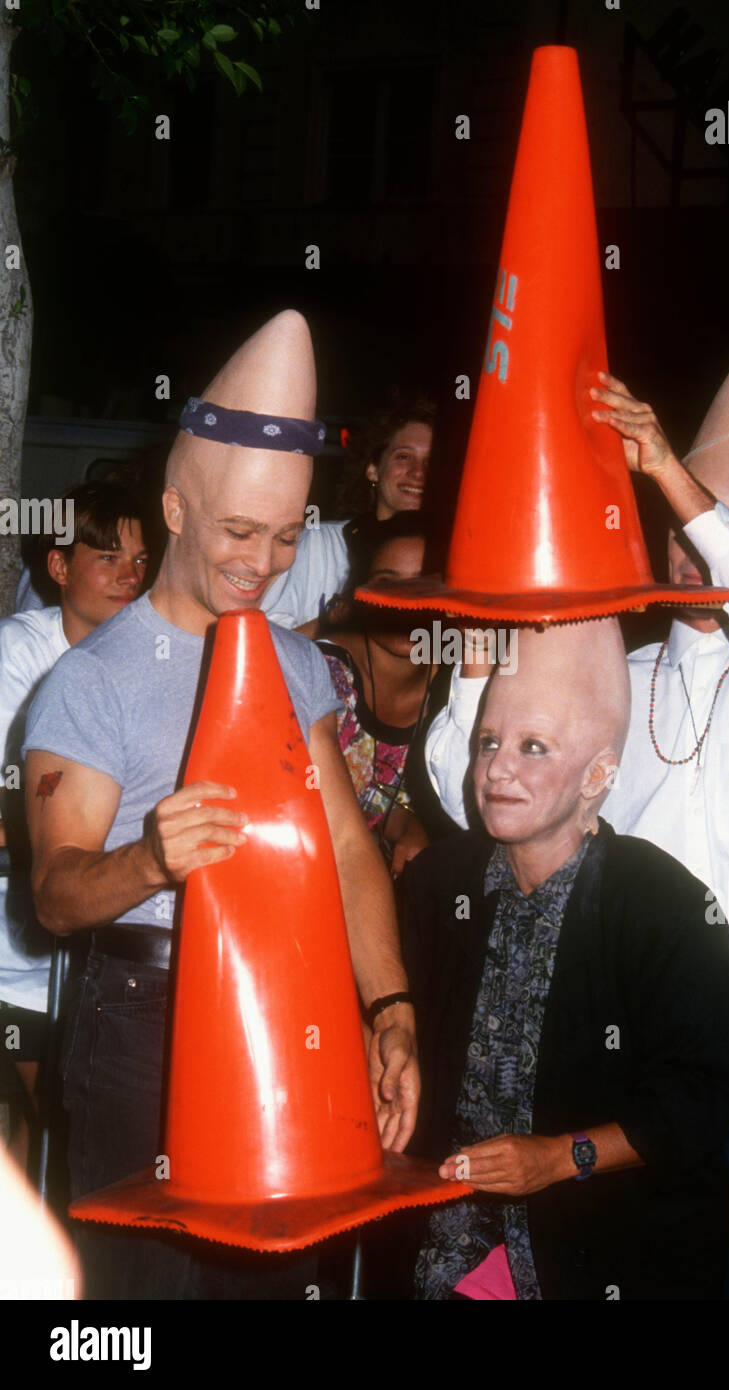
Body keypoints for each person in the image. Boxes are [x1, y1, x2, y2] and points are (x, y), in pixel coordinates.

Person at [425, 346, 729, 1298]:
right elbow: (476, 788)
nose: (692, 549)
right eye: (679, 529)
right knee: (617, 1250)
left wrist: (669, 465)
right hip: (624, 1007)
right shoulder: (614, 679)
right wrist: (475, 659)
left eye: (722, 532)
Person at [21, 311, 418, 1299]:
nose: (264, 561)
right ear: (176, 510)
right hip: (139, 1021)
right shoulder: (87, 683)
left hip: (288, 1003)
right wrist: (148, 861)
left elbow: (345, 847)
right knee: (140, 1297)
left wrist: (388, 1005)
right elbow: (57, 898)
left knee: (269, 1281)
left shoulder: (293, 663)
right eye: (240, 531)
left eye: (285, 537)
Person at [404, 619, 729, 1300]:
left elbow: (699, 1104)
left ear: (598, 774)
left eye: (534, 748)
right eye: (489, 743)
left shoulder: (666, 908)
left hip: (602, 1246)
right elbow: (391, 1012)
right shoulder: (439, 882)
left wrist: (563, 1158)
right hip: (444, 1236)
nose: (499, 767)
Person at [0, 480, 148, 1173]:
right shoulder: (17, 655)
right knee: (46, 1122)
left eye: (142, 561)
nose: (130, 575)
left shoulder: (145, 658)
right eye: (108, 556)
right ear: (58, 568)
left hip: (110, 942)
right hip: (22, 954)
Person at [312, 513, 452, 878]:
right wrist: (401, 824)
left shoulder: (467, 686)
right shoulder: (319, 671)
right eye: (387, 584)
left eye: (424, 586)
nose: (405, 603)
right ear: (360, 595)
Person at [263, 393, 435, 634]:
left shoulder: (451, 562)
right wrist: (341, 615)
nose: (418, 473)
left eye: (432, 461)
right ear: (373, 470)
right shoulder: (318, 545)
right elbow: (266, 645)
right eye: (404, 457)